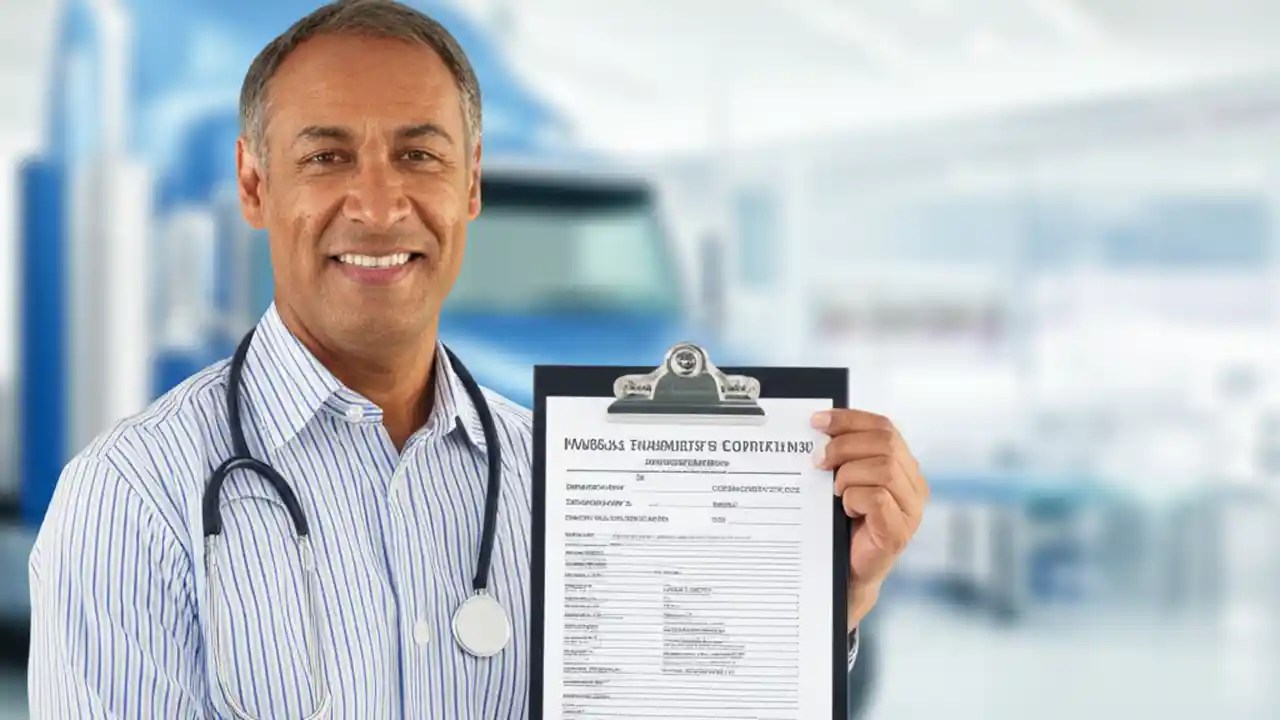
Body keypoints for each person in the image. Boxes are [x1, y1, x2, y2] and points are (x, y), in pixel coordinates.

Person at [26, 0, 931, 717]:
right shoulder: (132, 500)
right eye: (328, 156)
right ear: (256, 185)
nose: (378, 206)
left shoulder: (574, 480)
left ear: (470, 186)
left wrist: (820, 603)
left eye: (418, 155)